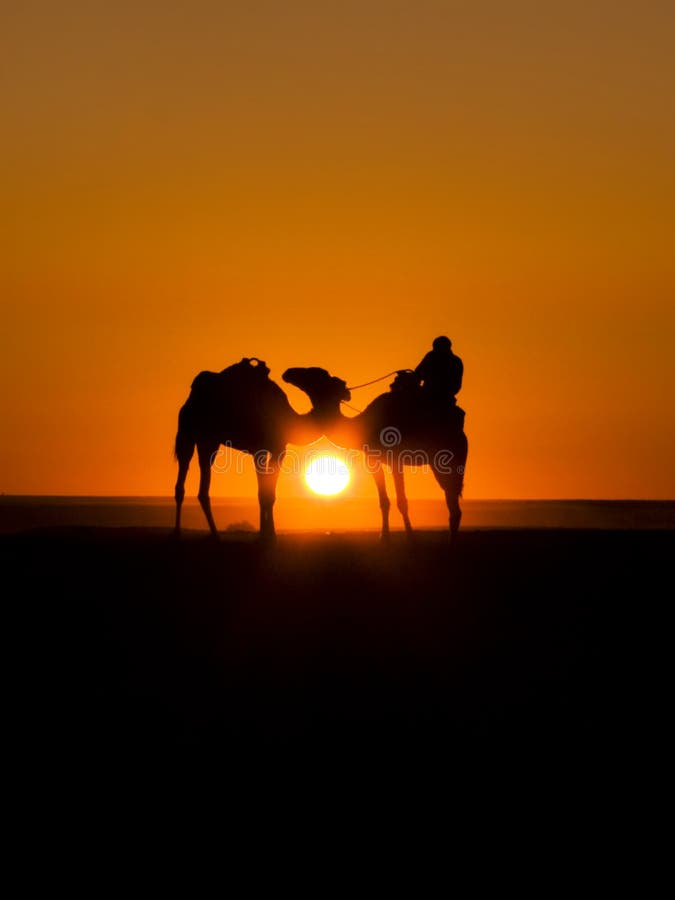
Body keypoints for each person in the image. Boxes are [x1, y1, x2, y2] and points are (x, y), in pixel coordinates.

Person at [414, 336, 463, 407]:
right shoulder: (457, 361)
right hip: (443, 397)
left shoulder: (432, 356)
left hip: (435, 397)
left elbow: (418, 374)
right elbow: (418, 374)